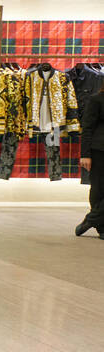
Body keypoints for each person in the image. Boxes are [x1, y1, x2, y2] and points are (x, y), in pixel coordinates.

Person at [75, 83, 104, 239]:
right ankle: (102, 227)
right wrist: (85, 154)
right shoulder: (96, 100)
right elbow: (87, 128)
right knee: (98, 188)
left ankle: (90, 220)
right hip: (99, 150)